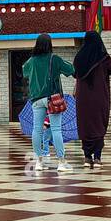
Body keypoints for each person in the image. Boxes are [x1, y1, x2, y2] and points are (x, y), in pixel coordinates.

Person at [24, 33, 77, 172]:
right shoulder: (55, 59)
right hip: (52, 99)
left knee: (37, 130)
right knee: (56, 129)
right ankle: (61, 162)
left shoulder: (31, 61)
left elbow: (24, 72)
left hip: (36, 99)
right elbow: (71, 69)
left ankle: (39, 162)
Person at [73, 30, 111, 169]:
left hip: (83, 100)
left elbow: (74, 73)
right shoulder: (103, 58)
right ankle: (97, 158)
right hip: (100, 98)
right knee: (98, 124)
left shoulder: (79, 58)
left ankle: (87, 158)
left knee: (85, 125)